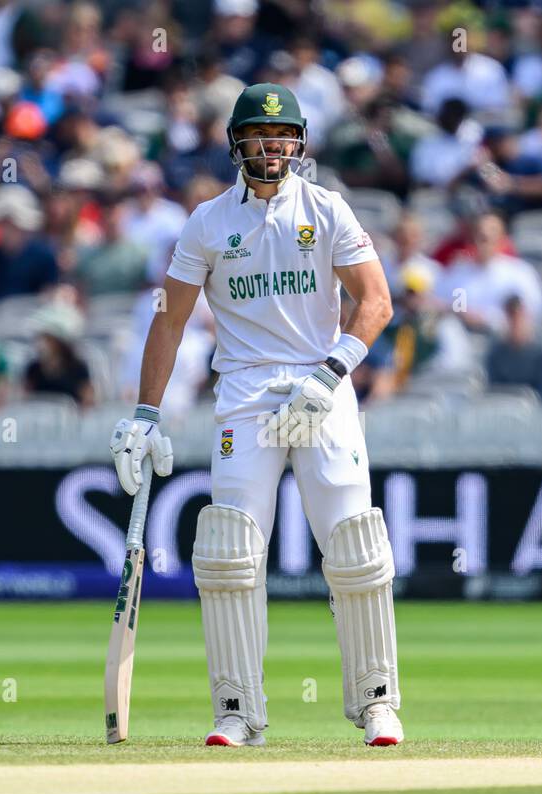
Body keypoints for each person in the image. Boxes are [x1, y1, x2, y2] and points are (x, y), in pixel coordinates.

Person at [108, 83, 403, 748]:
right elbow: (170, 317)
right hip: (244, 390)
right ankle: (237, 710)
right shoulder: (209, 222)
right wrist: (146, 414)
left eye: (282, 137)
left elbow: (377, 302)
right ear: (236, 144)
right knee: (230, 552)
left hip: (320, 391)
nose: (270, 148)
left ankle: (377, 702)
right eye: (256, 137)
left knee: (355, 546)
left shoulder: (326, 209)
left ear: (298, 144)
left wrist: (330, 374)